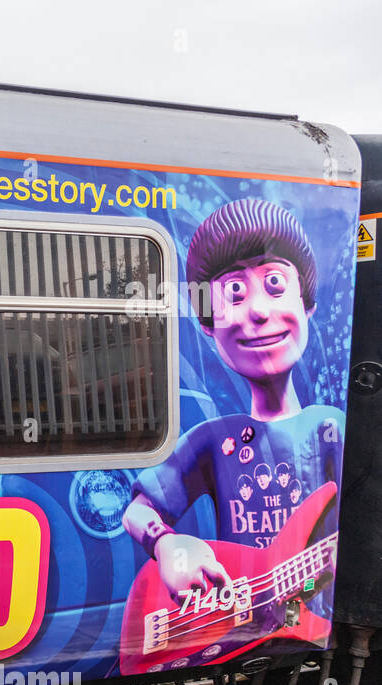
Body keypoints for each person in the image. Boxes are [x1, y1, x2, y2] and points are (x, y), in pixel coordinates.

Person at [122, 198, 343, 606]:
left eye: (275, 284)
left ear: (307, 303)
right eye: (234, 293)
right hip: (231, 621)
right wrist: (169, 545)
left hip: (306, 614)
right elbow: (138, 510)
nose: (258, 310)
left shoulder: (329, 429)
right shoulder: (213, 440)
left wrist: (308, 589)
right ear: (209, 327)